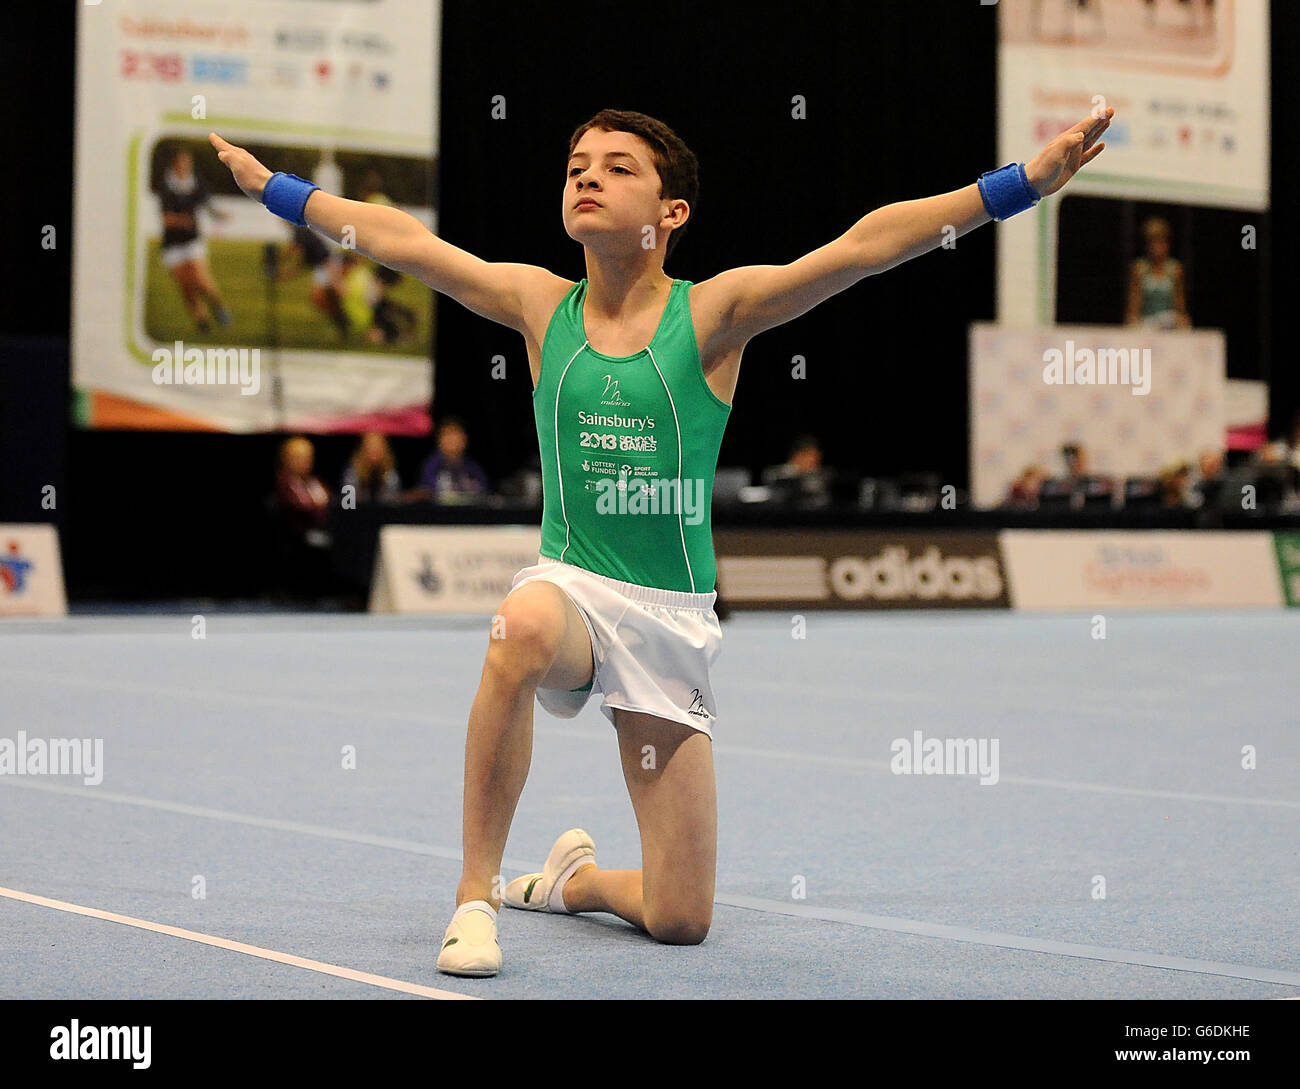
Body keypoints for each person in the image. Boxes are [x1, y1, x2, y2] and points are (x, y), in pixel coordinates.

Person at [210, 101, 1113, 977]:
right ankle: (474, 899)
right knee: (517, 628)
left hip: (669, 621)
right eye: (575, 169)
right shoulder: (537, 304)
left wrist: (1017, 188)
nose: (587, 180)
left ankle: (574, 880)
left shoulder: (715, 315)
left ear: (672, 211)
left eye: (616, 168)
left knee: (682, 919)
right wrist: (277, 189)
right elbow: (403, 241)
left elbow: (864, 249)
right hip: (567, 591)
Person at [157, 148, 234, 334]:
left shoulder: (195, 183)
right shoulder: (166, 187)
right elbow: (165, 219)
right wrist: (181, 221)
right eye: (182, 163)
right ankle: (201, 321)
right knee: (187, 288)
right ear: (175, 165)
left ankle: (218, 307)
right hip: (172, 245)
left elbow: (207, 205)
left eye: (188, 163)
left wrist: (219, 215)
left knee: (201, 279)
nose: (185, 167)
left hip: (192, 240)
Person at [1125, 216, 1189, 330]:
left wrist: (1183, 319)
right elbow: (1134, 303)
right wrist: (1132, 322)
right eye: (1153, 242)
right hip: (1147, 322)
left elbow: (1179, 302)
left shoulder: (1175, 269)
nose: (1157, 247)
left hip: (1169, 321)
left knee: (1179, 321)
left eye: (1161, 242)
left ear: (1167, 244)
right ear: (1147, 245)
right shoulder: (1140, 268)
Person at [414, 416, 489, 501]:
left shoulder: (473, 468)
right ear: (439, 439)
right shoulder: (431, 466)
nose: (453, 439)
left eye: (456, 434)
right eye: (448, 434)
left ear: (465, 439)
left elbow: (483, 493)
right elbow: (427, 492)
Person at [341, 431, 402, 504]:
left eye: (378, 448)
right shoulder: (351, 474)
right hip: (357, 513)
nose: (374, 452)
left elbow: (393, 503)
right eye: (370, 447)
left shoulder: (390, 475)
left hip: (383, 513)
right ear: (363, 449)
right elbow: (347, 504)